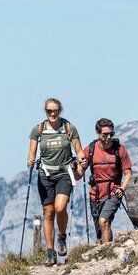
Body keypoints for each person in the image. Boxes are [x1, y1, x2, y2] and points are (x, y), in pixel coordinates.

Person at [26, 97, 80, 264]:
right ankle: (50, 252)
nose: (52, 113)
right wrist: (30, 160)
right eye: (49, 110)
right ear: (45, 111)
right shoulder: (38, 130)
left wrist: (82, 160)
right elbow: (32, 153)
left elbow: (79, 150)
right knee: (48, 213)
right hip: (45, 175)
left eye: (55, 110)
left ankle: (61, 236)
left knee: (60, 207)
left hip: (64, 173)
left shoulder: (69, 128)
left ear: (59, 110)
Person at [84, 117, 135, 247]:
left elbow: (128, 173)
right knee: (100, 233)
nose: (108, 137)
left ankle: (107, 253)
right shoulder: (90, 150)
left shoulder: (120, 149)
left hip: (114, 191)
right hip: (95, 194)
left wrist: (122, 188)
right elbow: (79, 174)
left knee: (104, 221)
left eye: (111, 134)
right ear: (98, 133)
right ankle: (103, 249)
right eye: (105, 134)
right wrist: (75, 167)